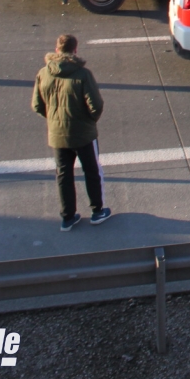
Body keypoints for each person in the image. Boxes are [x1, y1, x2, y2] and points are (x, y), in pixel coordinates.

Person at [31, 34, 110, 231]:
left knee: (64, 174)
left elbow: (37, 105)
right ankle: (97, 210)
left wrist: (54, 120)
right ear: (75, 50)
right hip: (83, 133)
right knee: (92, 171)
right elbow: (96, 105)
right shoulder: (83, 74)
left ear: (56, 50)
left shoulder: (43, 73)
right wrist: (89, 121)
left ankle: (67, 217)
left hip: (57, 134)